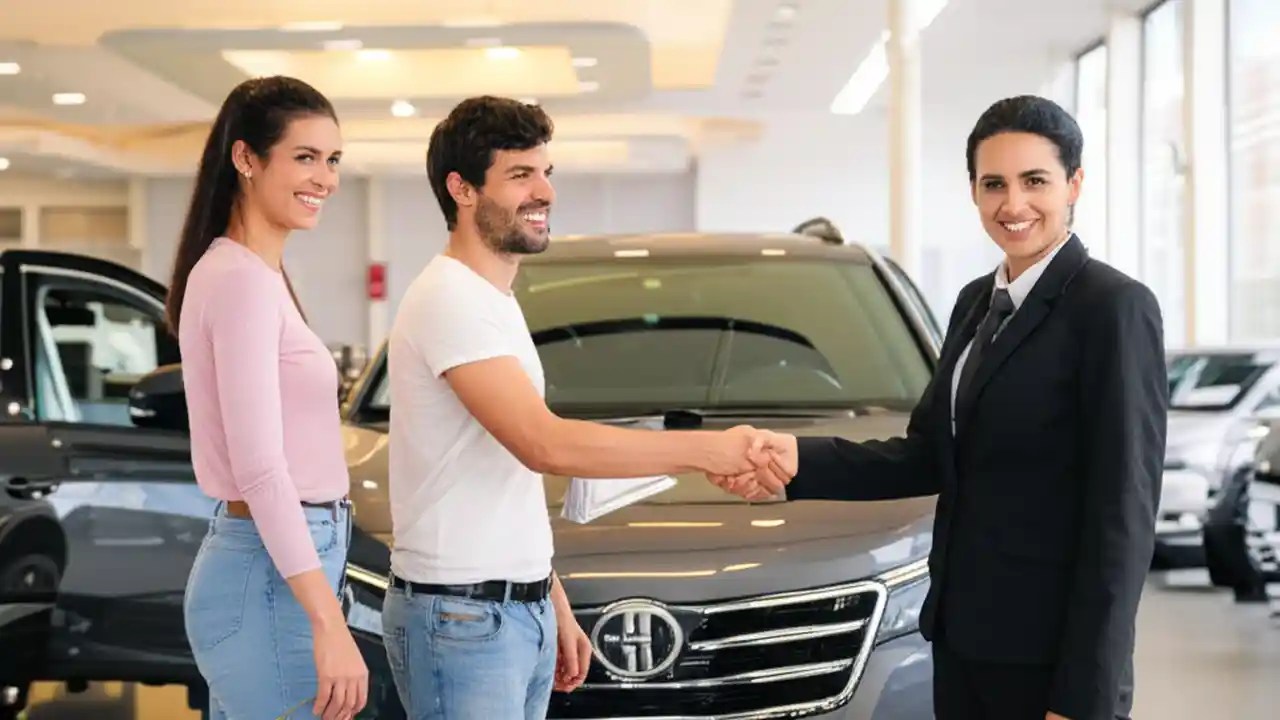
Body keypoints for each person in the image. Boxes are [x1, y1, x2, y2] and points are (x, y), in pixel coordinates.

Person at [718, 95, 1167, 720]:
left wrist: (1083, 695)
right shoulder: (975, 303)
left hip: (1052, 663)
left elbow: (1123, 519)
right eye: (994, 184)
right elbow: (930, 456)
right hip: (963, 644)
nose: (1013, 205)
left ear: (1075, 185)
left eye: (1035, 181)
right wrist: (795, 459)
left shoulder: (1112, 308)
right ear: (975, 192)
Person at [381, 95, 785, 719]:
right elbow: (544, 445)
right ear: (461, 189)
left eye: (547, 172)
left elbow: (499, 480)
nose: (544, 191)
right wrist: (708, 448)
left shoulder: (493, 300)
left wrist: (550, 598)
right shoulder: (449, 300)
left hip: (509, 610)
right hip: (461, 620)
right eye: (520, 175)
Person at [169, 76, 368, 720]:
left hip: (277, 565)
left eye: (332, 159)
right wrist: (328, 622)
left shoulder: (257, 274)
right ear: (247, 158)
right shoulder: (239, 280)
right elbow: (259, 466)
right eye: (305, 157)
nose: (326, 179)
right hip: (269, 574)